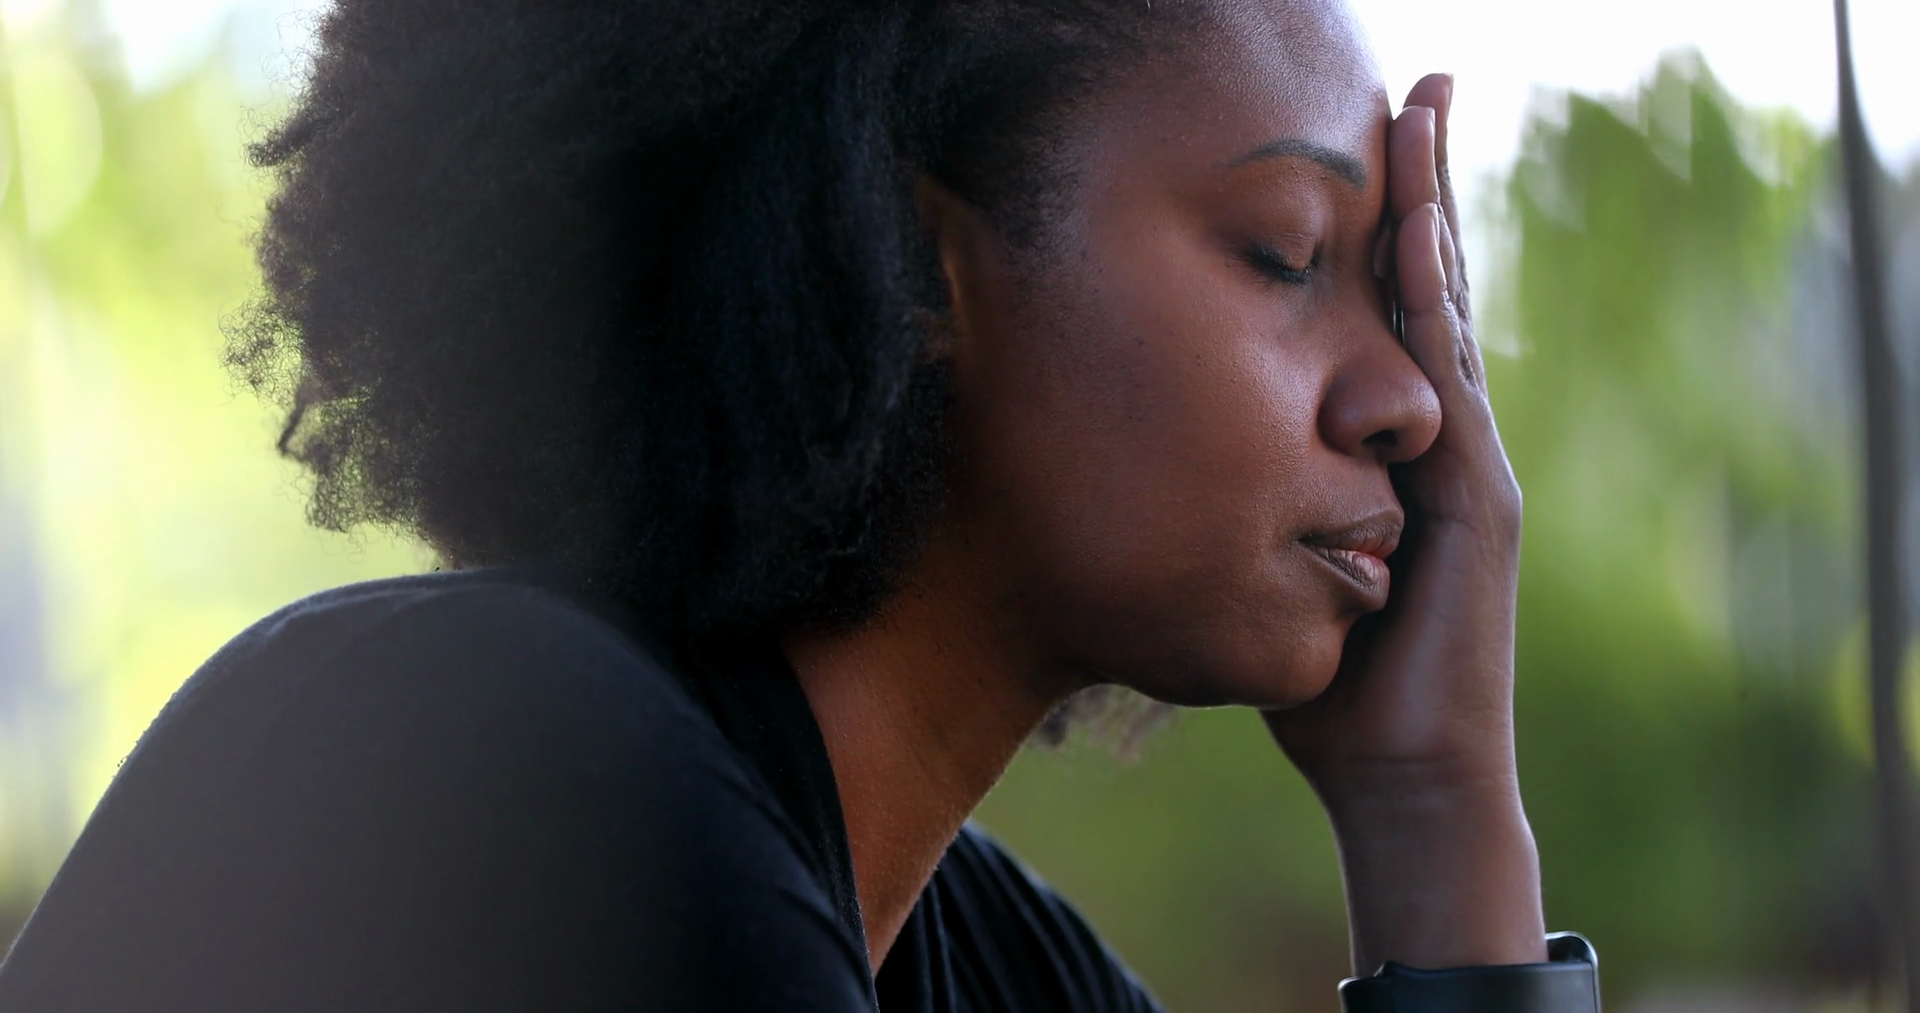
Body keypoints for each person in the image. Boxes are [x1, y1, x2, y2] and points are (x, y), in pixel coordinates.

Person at [0, 0, 1601, 1009]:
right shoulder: (527, 782)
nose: (1407, 399)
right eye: (1284, 253)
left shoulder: (999, 965)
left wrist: (1438, 810)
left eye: (1396, 293)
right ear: (909, 263)